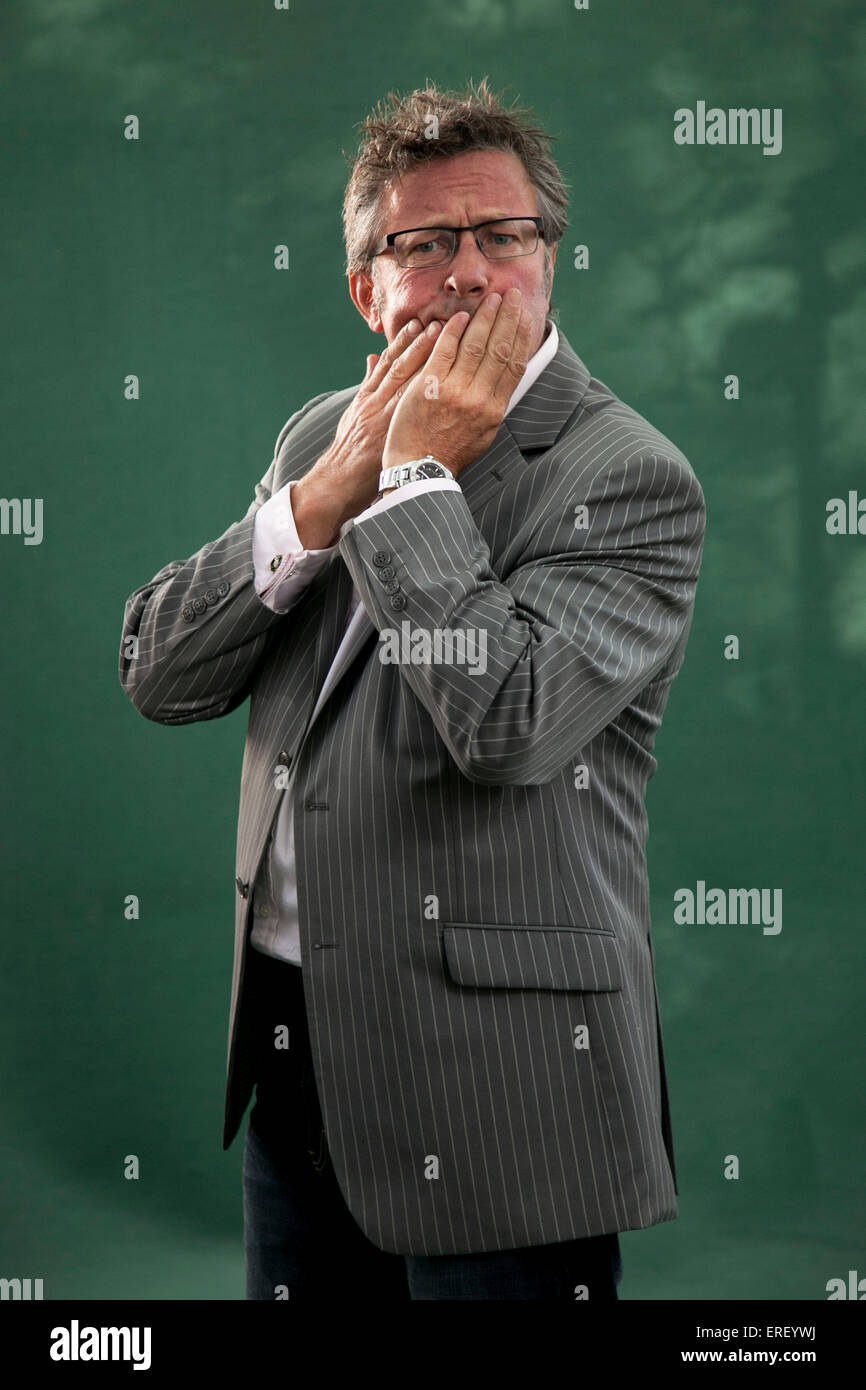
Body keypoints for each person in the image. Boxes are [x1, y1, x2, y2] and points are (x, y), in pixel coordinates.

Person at [119, 79, 706, 1301]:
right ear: (364, 288)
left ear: (549, 262)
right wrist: (323, 497)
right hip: (293, 1055)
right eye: (422, 243)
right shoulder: (316, 436)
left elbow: (505, 723)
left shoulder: (631, 475)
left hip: (502, 1083)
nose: (469, 271)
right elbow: (162, 675)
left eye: (504, 236)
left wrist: (418, 475)